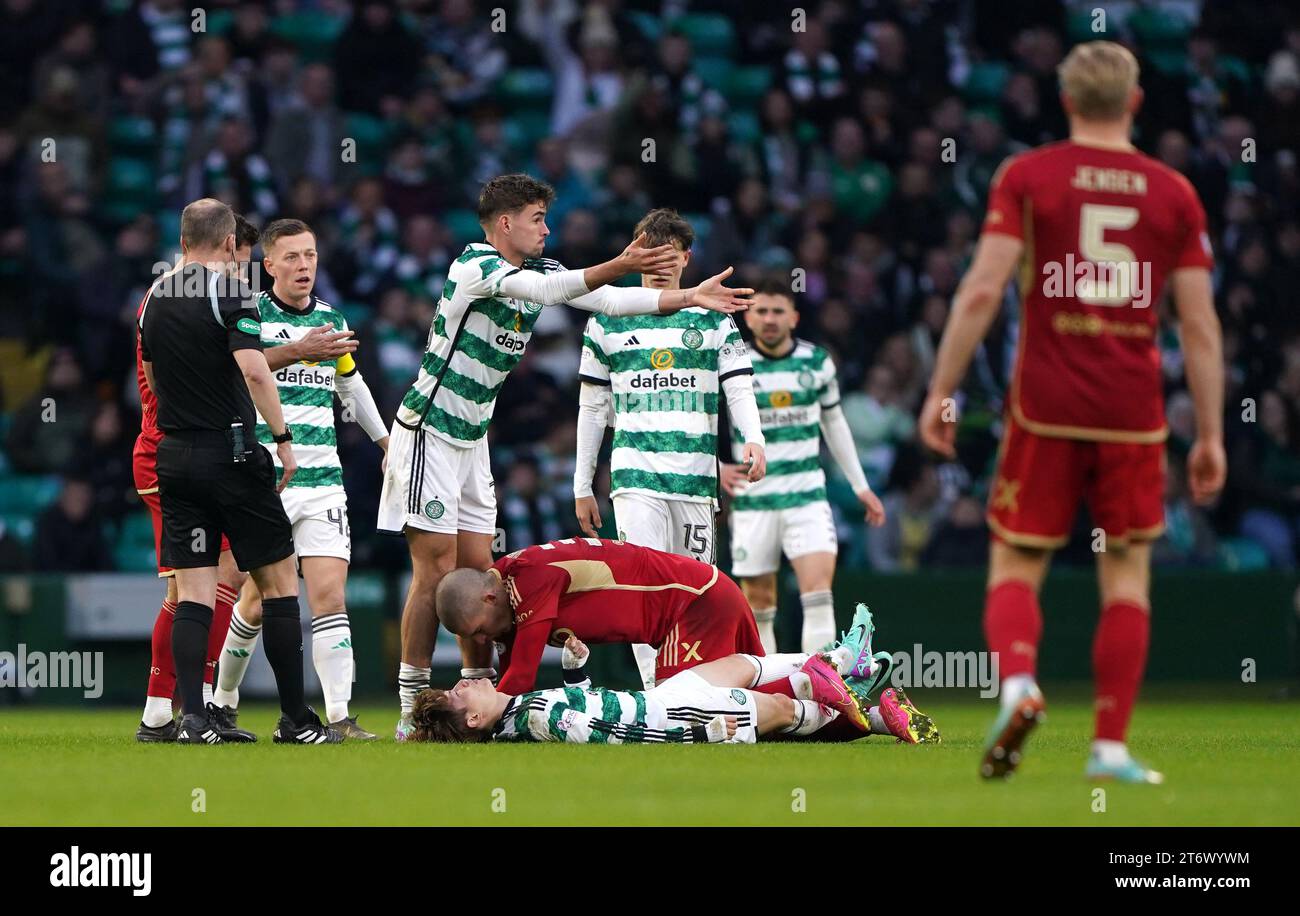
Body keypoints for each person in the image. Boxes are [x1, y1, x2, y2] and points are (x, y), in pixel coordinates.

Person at [918, 42, 1226, 783]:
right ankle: (1110, 748)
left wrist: (942, 390)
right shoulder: (1174, 192)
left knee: (1016, 563)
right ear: (1135, 103)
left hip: (1046, 406)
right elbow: (1201, 327)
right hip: (1133, 412)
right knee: (1126, 578)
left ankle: (1020, 685)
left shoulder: (1027, 177)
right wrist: (1211, 432)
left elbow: (984, 290)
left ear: (1064, 101)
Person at [378, 173, 753, 739]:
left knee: (481, 576)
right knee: (434, 571)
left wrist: (687, 296)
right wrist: (623, 261)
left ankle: (488, 698)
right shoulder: (474, 267)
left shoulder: (544, 270)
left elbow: (605, 299)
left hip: (474, 438)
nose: (547, 230)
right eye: (537, 220)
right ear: (506, 224)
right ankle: (411, 709)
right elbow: (558, 295)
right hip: (429, 429)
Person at [138, 197, 340, 744]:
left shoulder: (155, 295)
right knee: (277, 585)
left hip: (174, 458)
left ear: (183, 241)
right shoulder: (232, 290)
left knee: (195, 592)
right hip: (231, 453)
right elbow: (254, 371)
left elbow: (154, 379)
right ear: (230, 243)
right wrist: (282, 438)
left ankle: (194, 720)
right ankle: (296, 720)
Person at [574, 208, 767, 688]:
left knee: (700, 592)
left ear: (686, 257)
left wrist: (754, 437)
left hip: (696, 481)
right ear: (635, 256)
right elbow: (593, 409)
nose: (659, 268)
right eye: (649, 257)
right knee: (644, 591)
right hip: (635, 479)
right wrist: (581, 484)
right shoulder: (607, 319)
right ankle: (659, 695)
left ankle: (702, 690)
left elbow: (738, 387)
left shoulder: (714, 319)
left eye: (669, 258)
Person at [210, 218, 388, 740]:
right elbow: (235, 369)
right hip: (266, 477)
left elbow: (351, 388)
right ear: (268, 266)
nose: (304, 265)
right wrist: (300, 350)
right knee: (256, 599)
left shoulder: (331, 320)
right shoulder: (251, 314)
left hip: (323, 479)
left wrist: (385, 444)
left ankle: (339, 717)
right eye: (291, 257)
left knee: (330, 595)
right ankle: (222, 701)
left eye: (309, 255)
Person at [434, 536, 880, 700]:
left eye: (478, 631)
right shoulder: (510, 588)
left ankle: (836, 664)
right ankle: (850, 695)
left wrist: (470, 722)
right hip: (705, 594)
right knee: (752, 693)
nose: (484, 641)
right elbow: (511, 664)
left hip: (696, 604)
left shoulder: (529, 583)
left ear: (490, 598)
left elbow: (520, 677)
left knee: (681, 705)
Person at [719, 281, 886, 653]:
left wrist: (860, 486)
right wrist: (717, 466)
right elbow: (703, 416)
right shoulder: (733, 361)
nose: (769, 319)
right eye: (761, 311)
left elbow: (835, 424)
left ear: (794, 317)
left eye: (778, 311)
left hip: (807, 496)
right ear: (748, 316)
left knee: (818, 592)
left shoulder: (817, 362)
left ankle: (820, 696)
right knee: (760, 603)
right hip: (753, 499)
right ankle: (768, 691)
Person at [409, 635, 936, 745]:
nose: (467, 681)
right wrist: (697, 734)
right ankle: (861, 713)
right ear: (474, 721)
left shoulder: (526, 708)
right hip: (671, 715)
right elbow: (612, 731)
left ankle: (844, 664)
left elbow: (588, 706)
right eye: (460, 695)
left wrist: (574, 674)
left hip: (658, 700)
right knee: (776, 708)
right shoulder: (533, 719)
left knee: (737, 665)